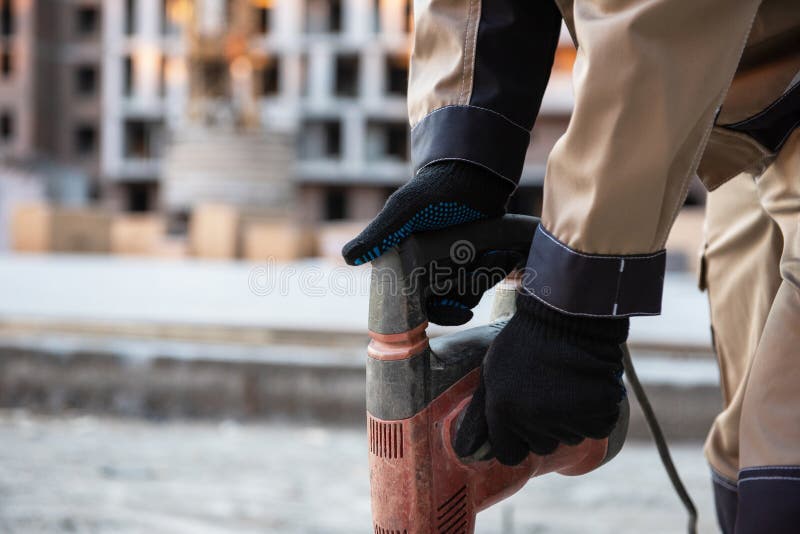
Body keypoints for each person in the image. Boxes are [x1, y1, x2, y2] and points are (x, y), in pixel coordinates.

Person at [342, 1, 800, 532]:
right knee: (741, 452)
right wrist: (466, 151)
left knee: (783, 462)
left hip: (717, 51)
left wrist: (570, 311)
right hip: (746, 103)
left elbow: (658, 13)